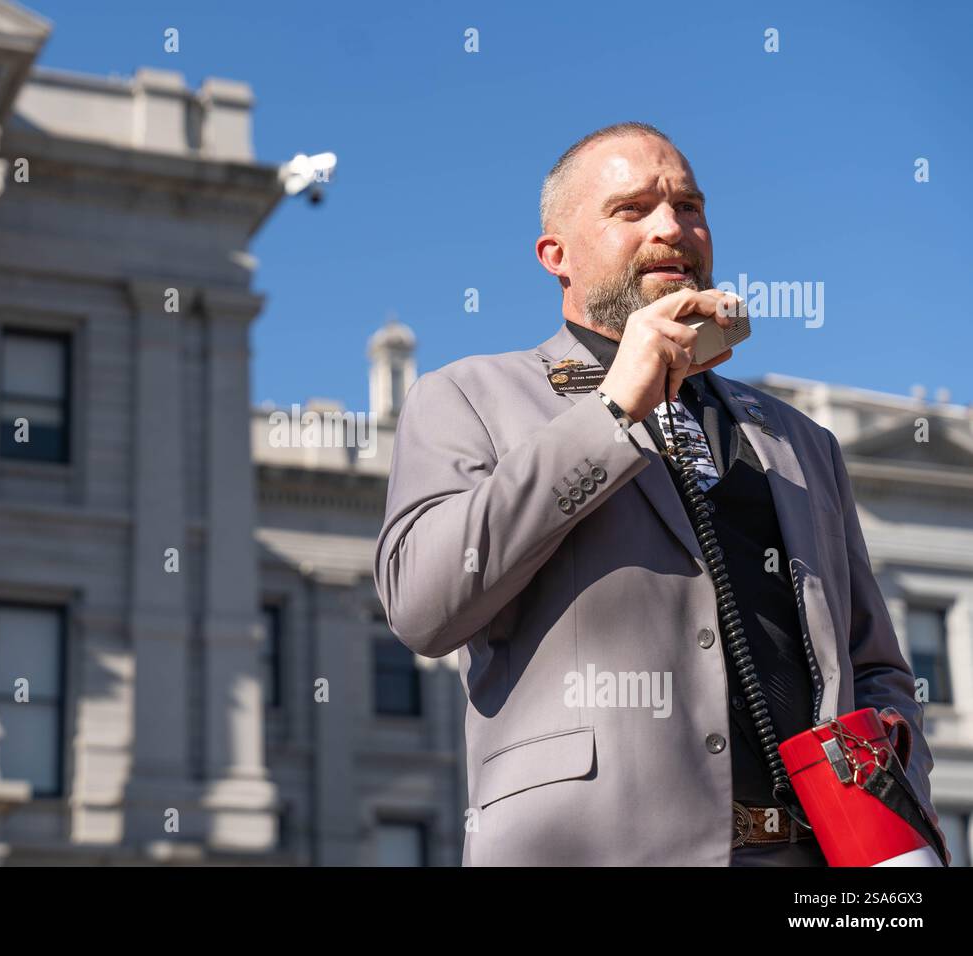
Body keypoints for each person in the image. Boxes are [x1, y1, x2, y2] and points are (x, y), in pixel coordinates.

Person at [373, 122, 946, 866]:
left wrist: (896, 799)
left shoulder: (802, 443)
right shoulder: (469, 397)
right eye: (632, 209)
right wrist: (613, 411)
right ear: (557, 256)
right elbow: (423, 604)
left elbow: (875, 669)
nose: (672, 228)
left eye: (690, 206)